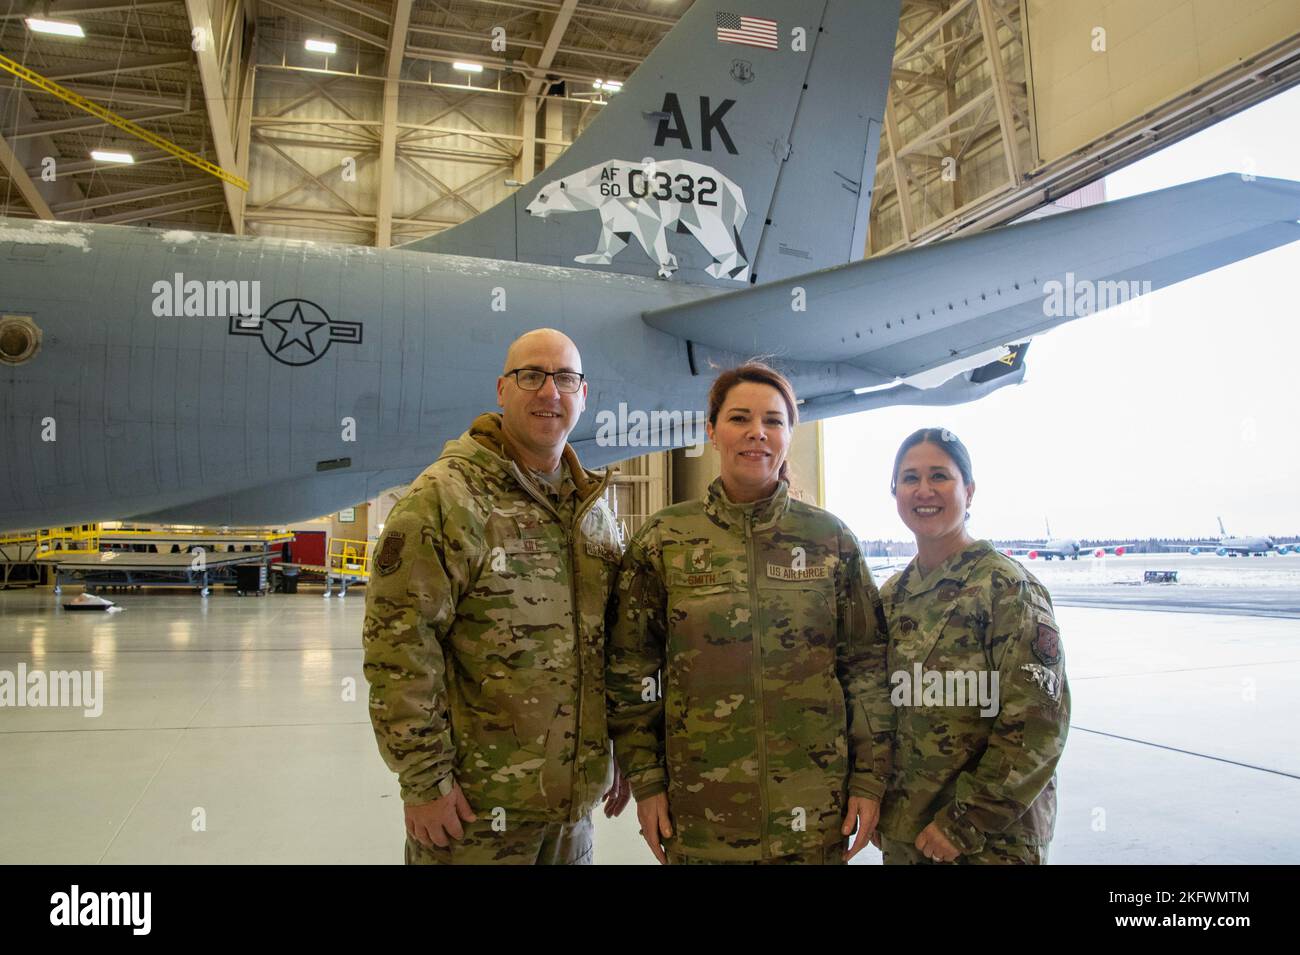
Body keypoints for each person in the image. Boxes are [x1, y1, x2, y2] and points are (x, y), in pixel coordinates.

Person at [606, 362, 894, 864]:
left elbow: (866, 668)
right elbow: (630, 672)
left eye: (773, 421)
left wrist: (869, 779)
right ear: (712, 431)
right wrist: (647, 780)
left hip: (812, 812)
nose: (756, 432)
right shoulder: (665, 540)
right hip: (698, 815)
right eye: (739, 418)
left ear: (788, 436)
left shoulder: (830, 540)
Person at [363, 328, 630, 865]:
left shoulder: (591, 510)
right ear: (502, 389)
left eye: (565, 378)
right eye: (531, 376)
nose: (549, 392)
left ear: (584, 393)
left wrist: (621, 747)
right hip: (473, 815)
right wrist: (424, 781)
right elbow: (399, 649)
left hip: (570, 809)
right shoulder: (445, 498)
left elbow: (615, 643)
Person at [877, 428, 1070, 864]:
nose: (923, 490)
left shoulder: (1006, 588)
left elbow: (1038, 724)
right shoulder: (891, 597)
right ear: (895, 492)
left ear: (969, 489)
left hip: (987, 841)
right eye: (909, 478)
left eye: (939, 476)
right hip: (909, 835)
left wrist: (966, 822)